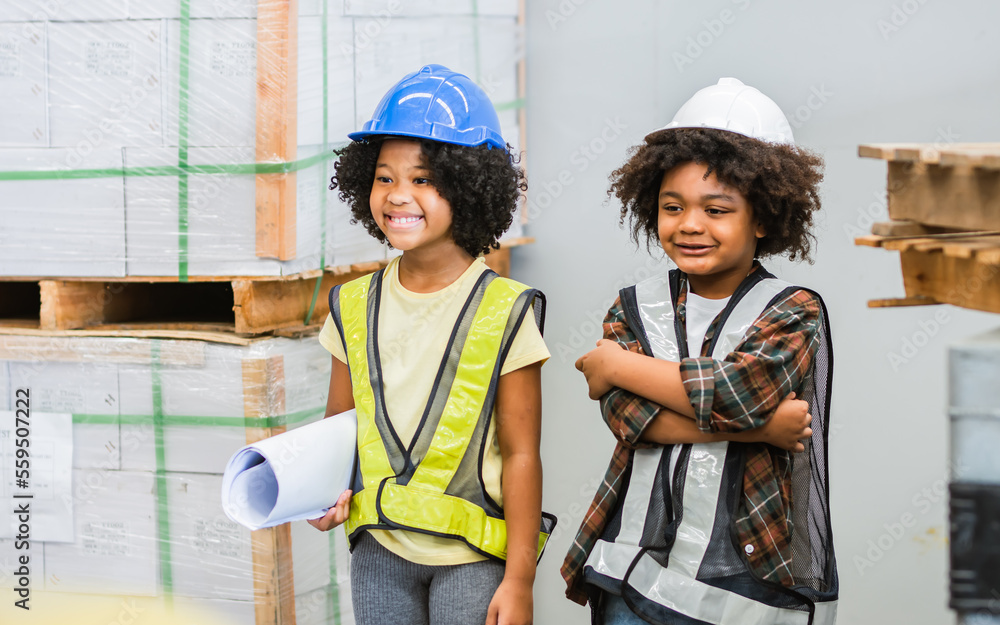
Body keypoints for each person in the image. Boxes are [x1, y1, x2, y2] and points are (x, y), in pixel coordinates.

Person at [562, 78, 839, 625]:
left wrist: (618, 365)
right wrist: (760, 431)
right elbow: (628, 419)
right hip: (632, 564)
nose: (690, 224)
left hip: (741, 572)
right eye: (673, 206)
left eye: (716, 210)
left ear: (764, 217)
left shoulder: (792, 309)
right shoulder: (634, 305)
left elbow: (738, 396)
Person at [308, 64, 555, 625]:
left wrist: (520, 580)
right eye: (384, 177)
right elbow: (339, 428)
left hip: (471, 563)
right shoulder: (352, 305)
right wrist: (319, 492)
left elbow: (521, 455)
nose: (399, 196)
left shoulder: (505, 309)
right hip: (379, 552)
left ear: (468, 186)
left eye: (423, 179)